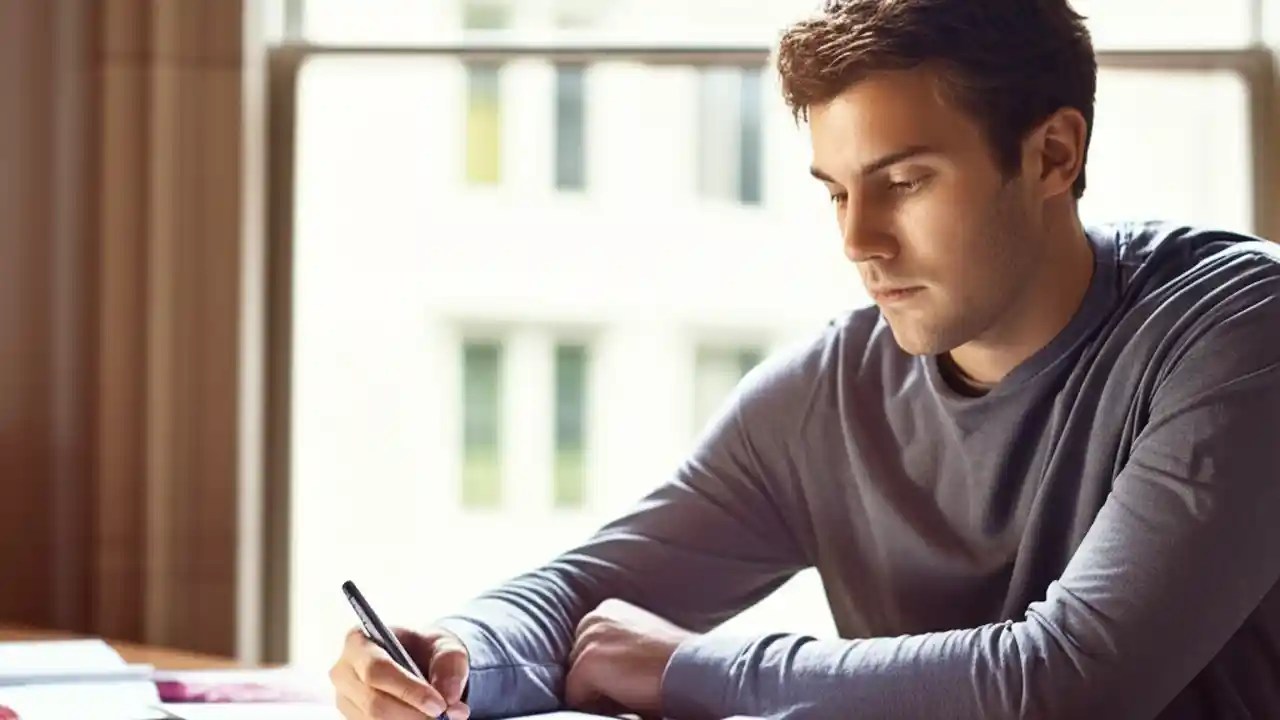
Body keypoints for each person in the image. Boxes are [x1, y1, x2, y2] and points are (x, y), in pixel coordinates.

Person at [329, 0, 1280, 718]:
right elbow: (587, 596)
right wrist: (454, 653)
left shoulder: (1238, 330)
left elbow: (1076, 680)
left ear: (1052, 155)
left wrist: (686, 671)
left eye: (903, 183)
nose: (859, 240)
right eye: (835, 193)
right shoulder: (829, 394)